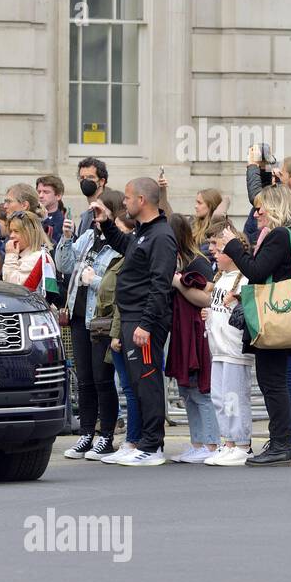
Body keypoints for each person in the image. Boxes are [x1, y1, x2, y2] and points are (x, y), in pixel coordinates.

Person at [212, 185, 291, 466]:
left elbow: (255, 271)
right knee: (274, 382)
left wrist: (233, 245)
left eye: (260, 208)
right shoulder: (288, 234)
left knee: (273, 383)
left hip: (274, 318)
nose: (256, 213)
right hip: (281, 316)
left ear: (274, 207)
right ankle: (284, 442)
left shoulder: (280, 235)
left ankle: (282, 444)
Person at [91, 177, 176, 467]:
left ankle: (153, 446)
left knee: (148, 381)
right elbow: (126, 246)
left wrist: (146, 324)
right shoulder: (144, 232)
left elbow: (160, 284)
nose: (124, 202)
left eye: (128, 197)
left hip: (143, 320)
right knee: (137, 384)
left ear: (142, 200)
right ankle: (140, 441)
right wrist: (106, 224)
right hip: (130, 317)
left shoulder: (162, 236)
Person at [55, 189, 123, 460]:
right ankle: (86, 433)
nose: (94, 216)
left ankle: (105, 435)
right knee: (83, 379)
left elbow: (115, 284)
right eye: (92, 211)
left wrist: (93, 280)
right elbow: (65, 265)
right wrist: (67, 238)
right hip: (79, 316)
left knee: (102, 379)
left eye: (99, 210)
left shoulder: (119, 243)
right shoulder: (89, 236)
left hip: (101, 320)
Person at [192, 220, 255, 466]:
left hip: (234, 349)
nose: (213, 253)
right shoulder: (221, 279)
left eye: (218, 248)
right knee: (219, 398)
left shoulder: (244, 279)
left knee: (234, 399)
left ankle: (242, 444)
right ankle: (227, 441)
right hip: (218, 349)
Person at [166, 214, 219, 464]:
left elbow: (208, 298)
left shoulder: (198, 262)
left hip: (197, 333)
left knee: (200, 391)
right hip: (181, 332)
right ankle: (197, 443)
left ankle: (210, 444)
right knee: (187, 392)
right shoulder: (176, 260)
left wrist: (179, 285)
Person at [95, 202, 141, 465]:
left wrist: (115, 335)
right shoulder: (121, 257)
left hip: (125, 331)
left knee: (132, 389)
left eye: (124, 232)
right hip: (120, 329)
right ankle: (133, 440)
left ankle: (134, 440)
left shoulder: (130, 261)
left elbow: (121, 301)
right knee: (128, 388)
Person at [1, 211, 51, 295]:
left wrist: (10, 256)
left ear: (30, 233)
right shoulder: (23, 254)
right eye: (11, 231)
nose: (11, 235)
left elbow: (14, 288)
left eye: (16, 231)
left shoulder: (38, 257)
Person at [73, 157, 110, 235]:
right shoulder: (86, 215)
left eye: (90, 177)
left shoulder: (109, 212)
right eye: (82, 178)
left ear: (102, 182)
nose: (85, 181)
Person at [36, 174, 66, 241]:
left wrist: (46, 220)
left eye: (46, 192)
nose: (40, 196)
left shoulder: (63, 221)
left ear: (58, 196)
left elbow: (59, 242)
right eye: (39, 192)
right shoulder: (31, 215)